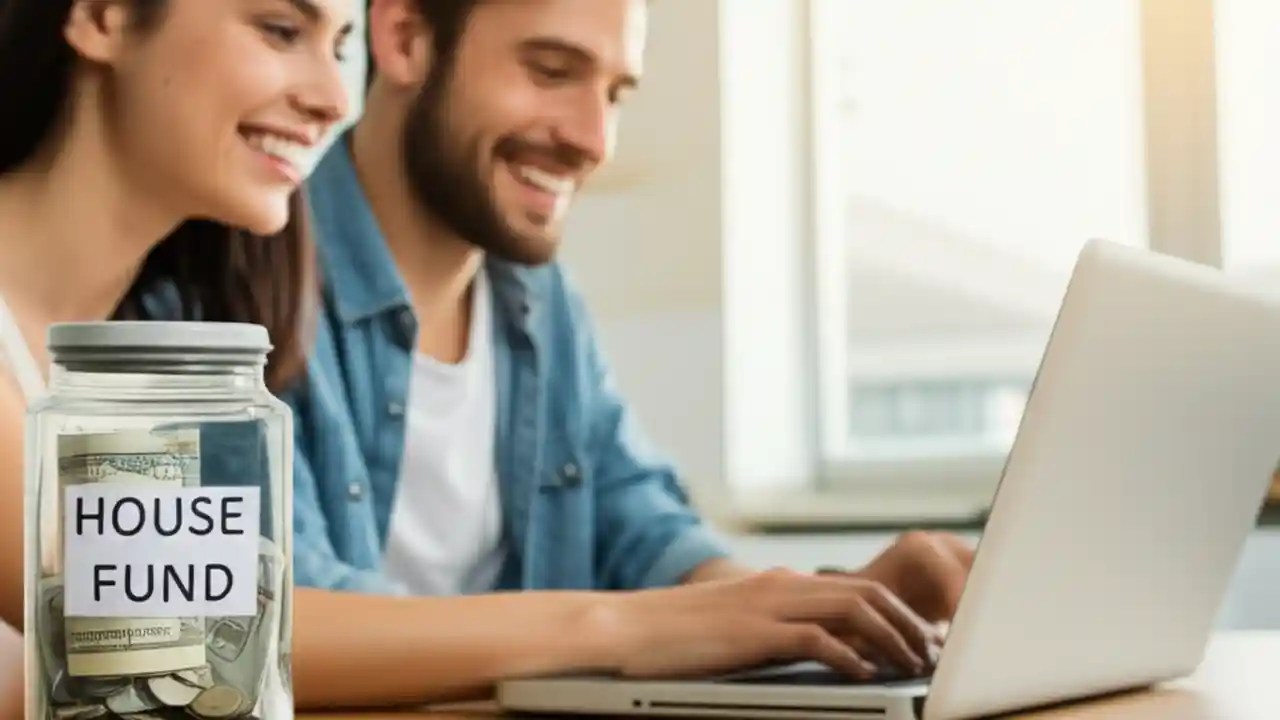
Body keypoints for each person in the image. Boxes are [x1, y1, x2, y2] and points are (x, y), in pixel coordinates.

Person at [286, 0, 976, 708]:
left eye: (615, 94)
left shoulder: (541, 302)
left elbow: (642, 528)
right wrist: (614, 628)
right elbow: (258, 626)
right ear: (405, 38)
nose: (595, 139)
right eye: (551, 71)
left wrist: (817, 617)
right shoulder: (235, 286)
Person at [0, 0, 353, 630]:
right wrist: (585, 626)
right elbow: (205, 629)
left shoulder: (147, 373)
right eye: (282, 31)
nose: (335, 100)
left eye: (341, 49)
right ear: (104, 18)